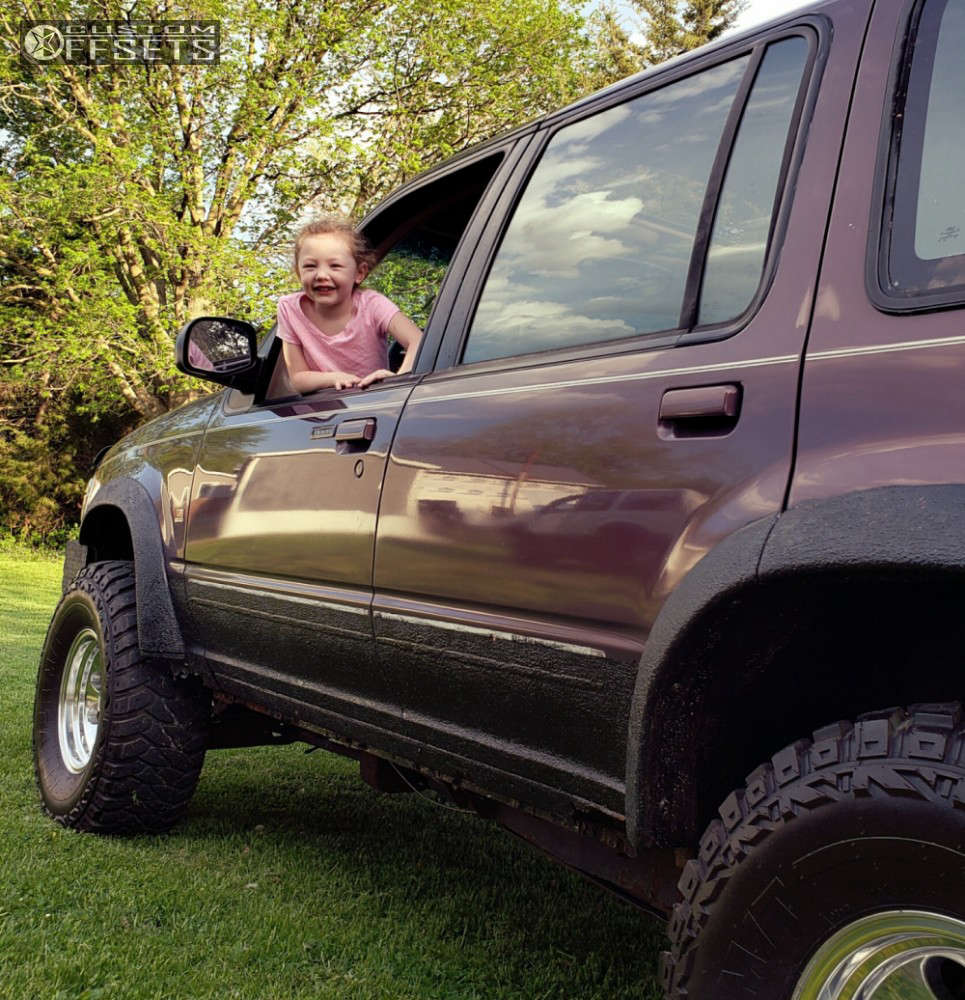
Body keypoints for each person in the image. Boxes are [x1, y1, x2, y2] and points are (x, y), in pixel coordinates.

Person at [276, 217, 422, 393]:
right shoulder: (289, 309)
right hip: (323, 412)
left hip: (372, 403)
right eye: (310, 266)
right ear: (298, 273)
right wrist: (333, 378)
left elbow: (417, 341)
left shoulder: (372, 305)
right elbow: (298, 378)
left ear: (359, 273)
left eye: (335, 266)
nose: (321, 274)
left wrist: (398, 380)